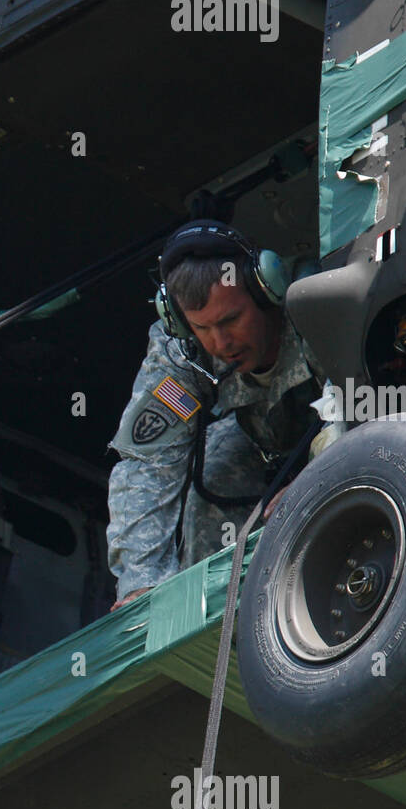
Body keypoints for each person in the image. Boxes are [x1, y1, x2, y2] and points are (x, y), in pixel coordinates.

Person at [106, 221, 329, 610]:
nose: (220, 343)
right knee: (216, 466)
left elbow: (378, 397)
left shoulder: (314, 297)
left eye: (230, 320)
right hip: (263, 452)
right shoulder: (182, 350)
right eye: (203, 328)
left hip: (349, 442)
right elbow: (149, 463)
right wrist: (139, 584)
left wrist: (322, 476)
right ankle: (210, 624)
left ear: (266, 290)